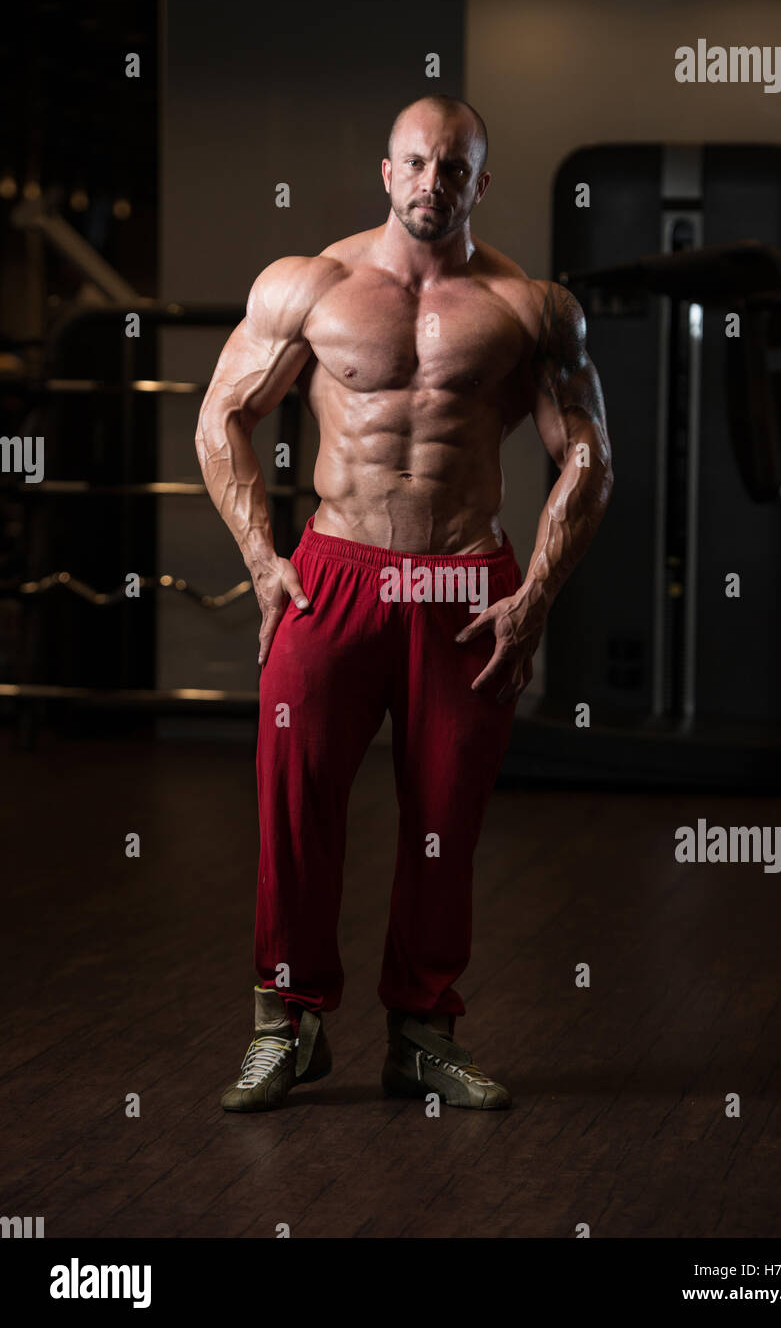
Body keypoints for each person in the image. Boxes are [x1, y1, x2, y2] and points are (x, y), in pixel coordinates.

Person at [195, 94, 613, 1113]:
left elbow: (590, 457)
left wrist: (537, 598)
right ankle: (286, 1025)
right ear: (387, 172)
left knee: (445, 814)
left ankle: (422, 1034)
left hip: (464, 583)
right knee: (295, 801)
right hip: (335, 569)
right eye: (416, 163)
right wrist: (262, 560)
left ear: (480, 182)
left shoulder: (530, 307)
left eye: (455, 168)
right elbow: (221, 418)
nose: (433, 182)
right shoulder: (311, 286)